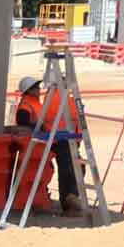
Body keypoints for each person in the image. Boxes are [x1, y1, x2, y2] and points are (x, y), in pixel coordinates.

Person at [13, 74, 87, 218]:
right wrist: (40, 130)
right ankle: (69, 199)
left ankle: (70, 198)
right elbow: (24, 122)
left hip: (54, 139)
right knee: (69, 167)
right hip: (47, 142)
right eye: (35, 87)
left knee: (74, 166)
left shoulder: (36, 102)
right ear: (29, 90)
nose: (38, 89)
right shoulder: (27, 105)